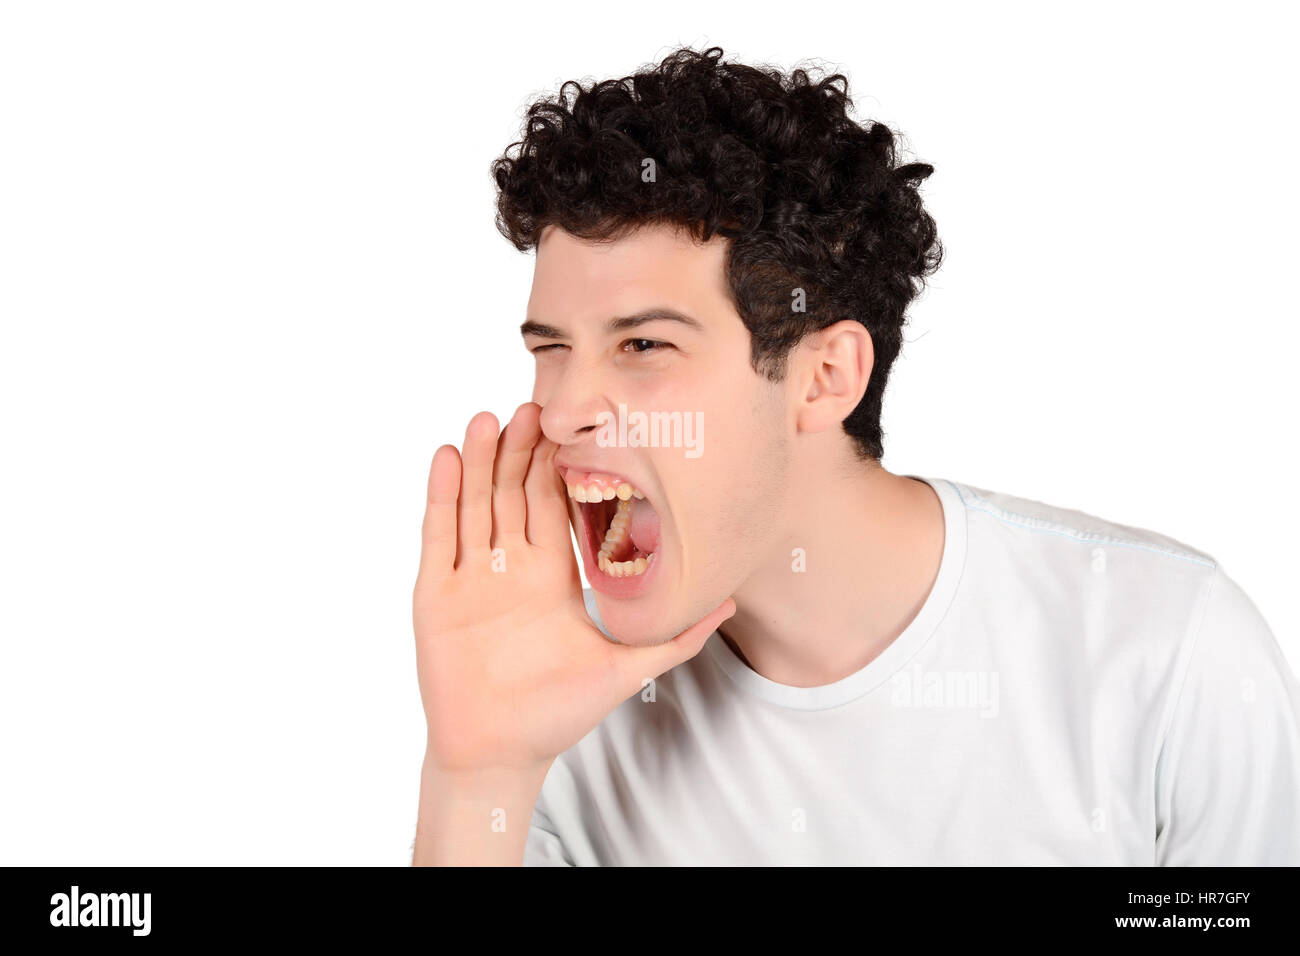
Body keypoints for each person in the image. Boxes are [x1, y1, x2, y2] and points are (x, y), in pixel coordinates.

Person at [411, 46, 1300, 865]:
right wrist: (476, 776)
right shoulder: (555, 716)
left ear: (826, 375)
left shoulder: (1168, 657)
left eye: (642, 346)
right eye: (550, 348)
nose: (560, 411)